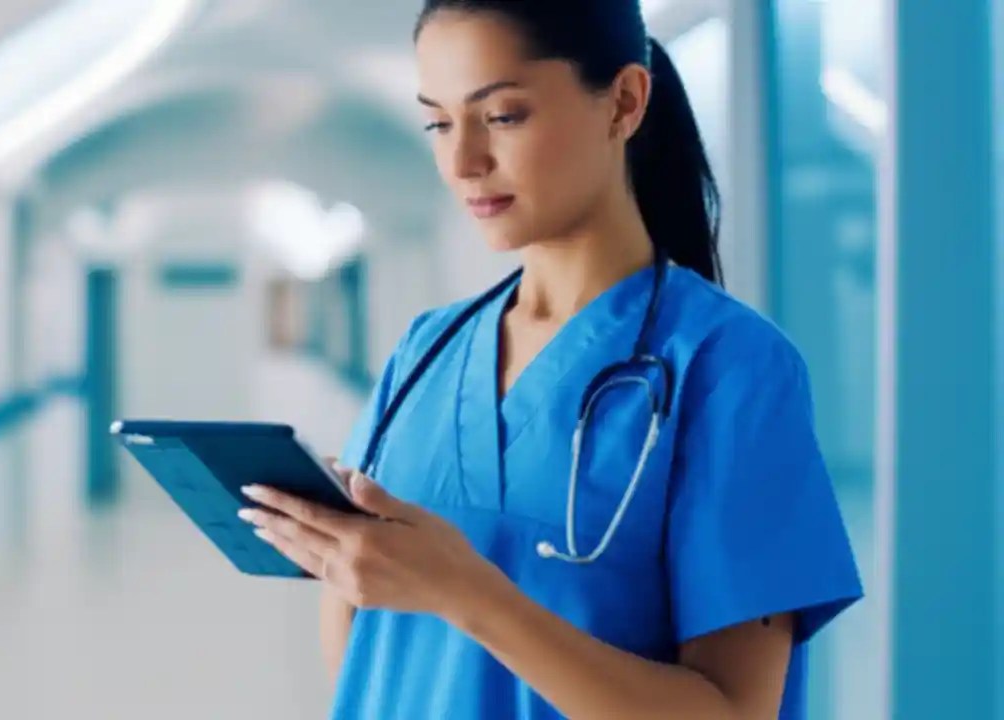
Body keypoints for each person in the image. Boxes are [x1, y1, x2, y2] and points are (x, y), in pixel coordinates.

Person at [235, 1, 863, 718]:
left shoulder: (729, 368)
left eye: (502, 116)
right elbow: (361, 641)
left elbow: (733, 711)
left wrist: (465, 592)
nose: (463, 161)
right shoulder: (425, 351)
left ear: (624, 102)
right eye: (439, 123)